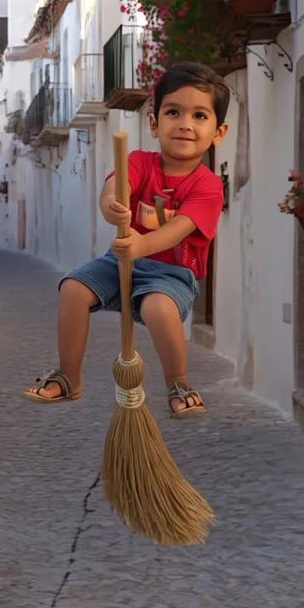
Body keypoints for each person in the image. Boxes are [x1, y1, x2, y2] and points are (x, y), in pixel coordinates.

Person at [25, 61, 229, 417]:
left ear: (218, 132)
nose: (184, 124)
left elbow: (179, 228)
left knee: (157, 308)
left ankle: (177, 382)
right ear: (154, 123)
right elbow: (116, 185)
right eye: (173, 112)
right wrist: (110, 204)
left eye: (199, 116)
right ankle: (69, 376)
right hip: (120, 260)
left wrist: (142, 245)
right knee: (72, 287)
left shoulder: (208, 186)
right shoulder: (139, 161)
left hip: (171, 274)